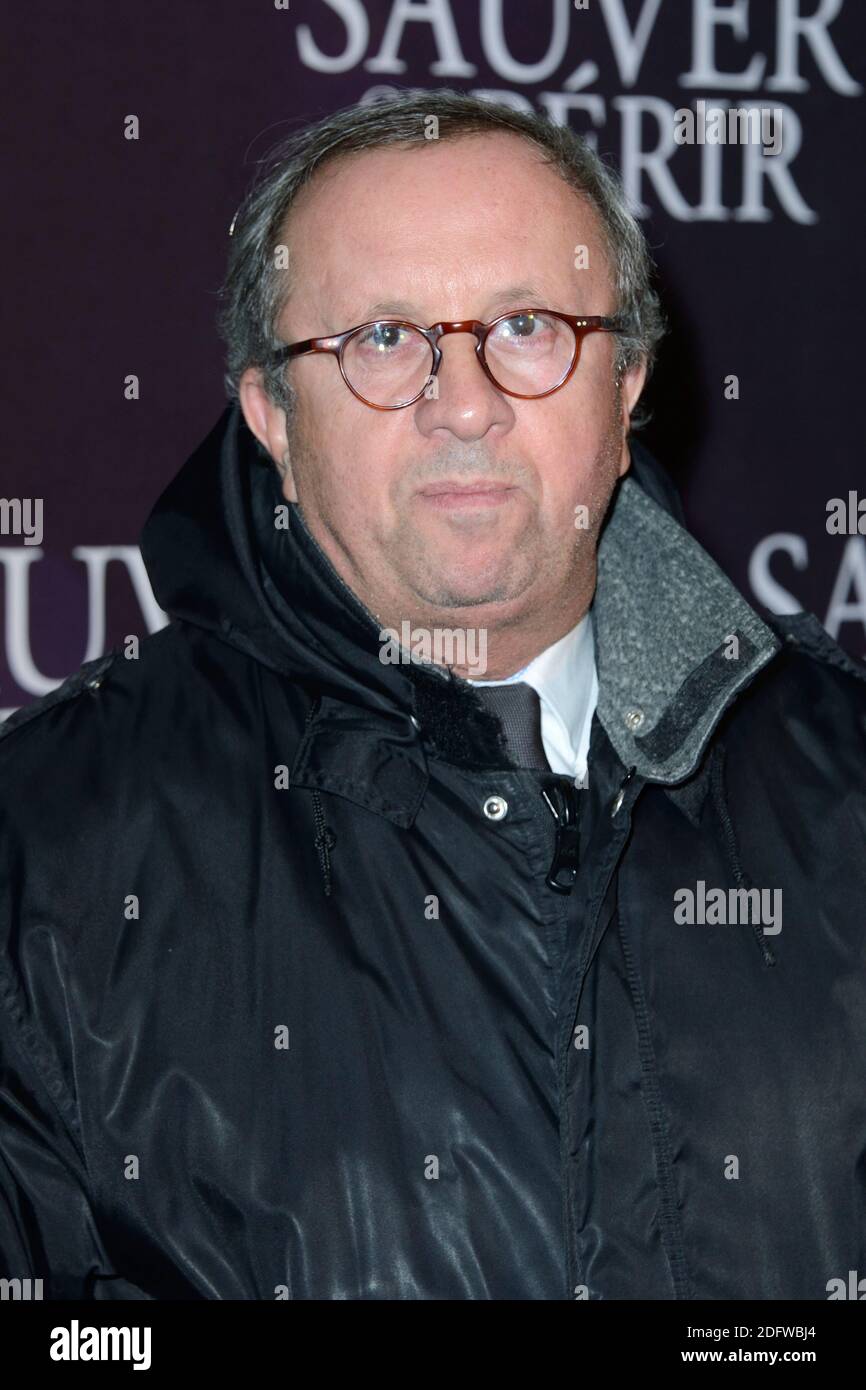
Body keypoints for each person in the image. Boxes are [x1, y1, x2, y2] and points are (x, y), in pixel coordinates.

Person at [1, 90, 864, 1302]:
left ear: (621, 392)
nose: (463, 403)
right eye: (381, 339)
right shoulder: (41, 849)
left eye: (525, 324)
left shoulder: (844, 783)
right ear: (271, 420)